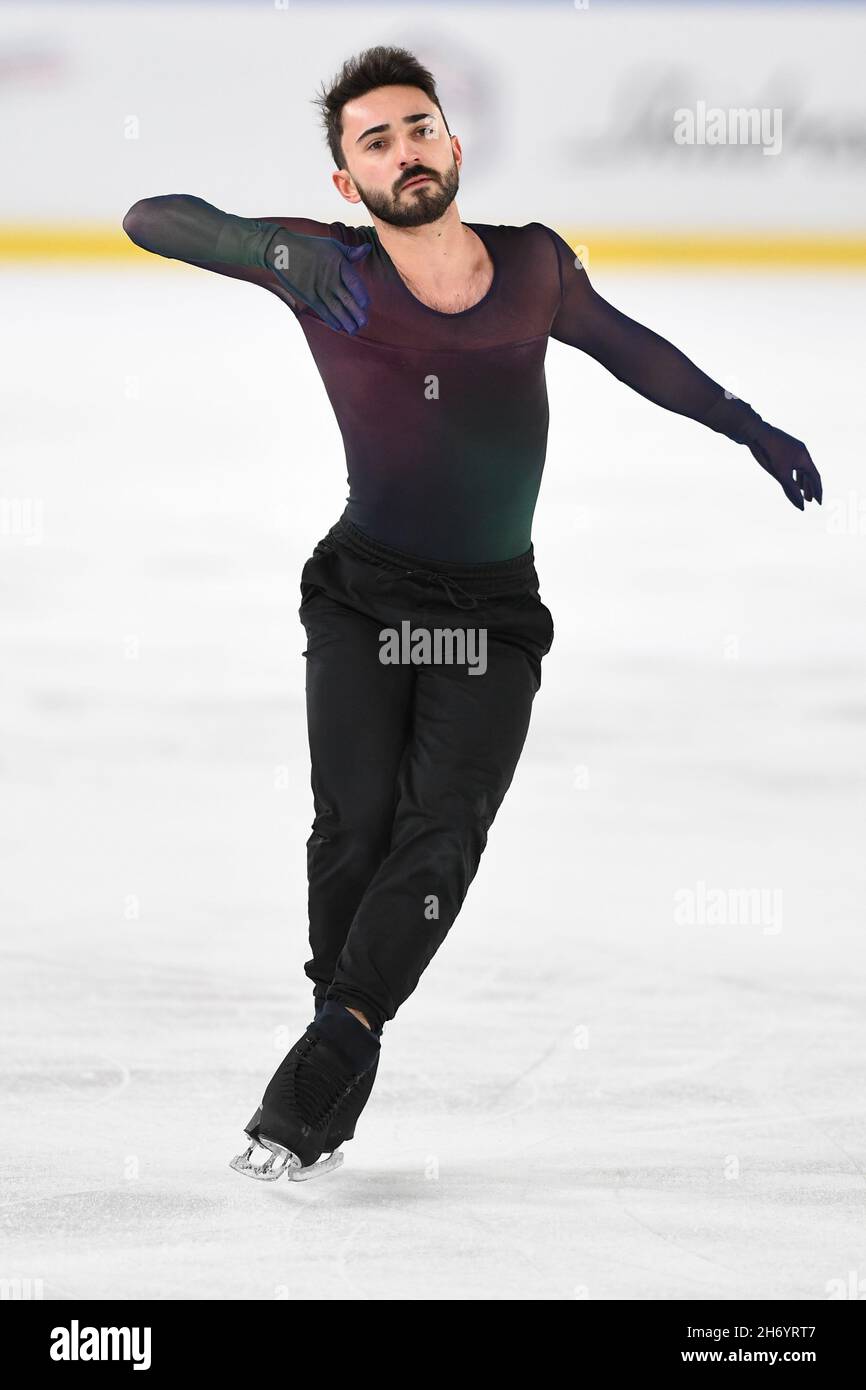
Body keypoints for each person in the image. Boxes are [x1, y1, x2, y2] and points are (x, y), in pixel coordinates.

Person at [122, 45, 822, 1181]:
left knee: (439, 830)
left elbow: (633, 351)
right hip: (362, 597)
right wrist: (271, 248)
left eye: (418, 128)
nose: (404, 150)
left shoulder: (534, 267)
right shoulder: (327, 264)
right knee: (352, 832)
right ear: (349, 180)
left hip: (488, 616)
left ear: (453, 143)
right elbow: (149, 215)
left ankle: (329, 1052)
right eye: (375, 141)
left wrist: (745, 423)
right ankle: (341, 1019)